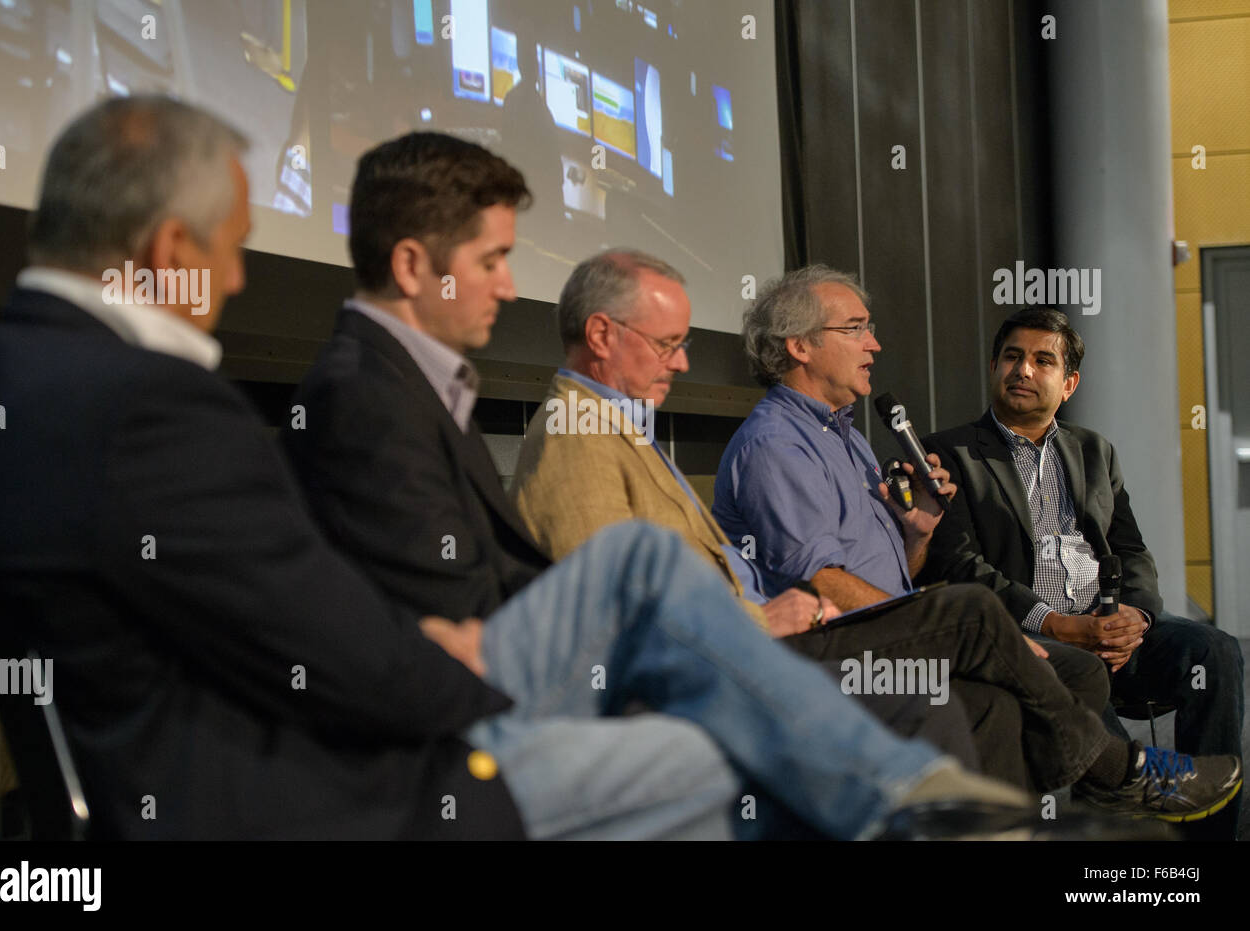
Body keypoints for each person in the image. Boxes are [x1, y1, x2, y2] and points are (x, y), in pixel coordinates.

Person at [280, 130, 1063, 839]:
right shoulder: (390, 401)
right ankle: (1058, 789)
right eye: (491, 262)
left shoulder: (447, 396)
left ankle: (990, 813)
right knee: (932, 653)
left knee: (950, 696)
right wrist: (754, 627)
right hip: (508, 729)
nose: (509, 288)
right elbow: (542, 608)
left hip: (620, 670)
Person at [0, 96, 529, 839]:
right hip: (311, 803)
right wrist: (502, 681)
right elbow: (345, 660)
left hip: (169, 793)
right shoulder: (152, 410)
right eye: (232, 247)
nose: (236, 280)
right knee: (679, 755)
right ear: (171, 252)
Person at [711, 265, 1242, 818]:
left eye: (1044, 361)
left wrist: (916, 533)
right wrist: (964, 629)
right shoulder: (778, 445)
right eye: (856, 328)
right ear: (800, 345)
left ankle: (1043, 818)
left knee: (1168, 657)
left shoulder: (849, 439)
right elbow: (820, 579)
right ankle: (1120, 775)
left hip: (924, 631)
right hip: (831, 647)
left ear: (1069, 383)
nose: (875, 343)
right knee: (974, 612)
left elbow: (909, 571)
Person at [921, 308, 1244, 766]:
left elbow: (1131, 550)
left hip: (1108, 623)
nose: (1023, 370)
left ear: (1069, 383)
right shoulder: (949, 453)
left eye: (1042, 360)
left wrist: (1137, 617)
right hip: (1030, 631)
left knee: (1216, 651)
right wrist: (1057, 623)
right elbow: (960, 566)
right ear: (994, 367)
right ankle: (1132, 787)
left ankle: (1209, 820)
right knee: (1081, 680)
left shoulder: (1093, 450)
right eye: (1012, 357)